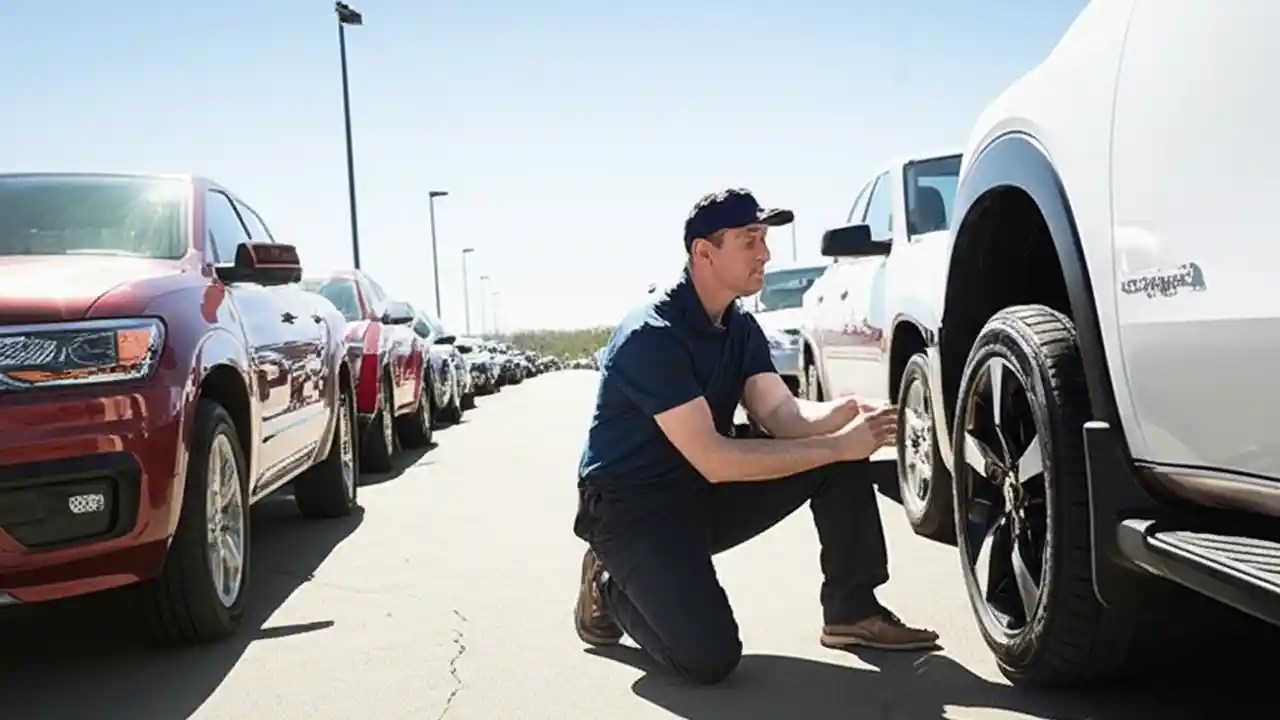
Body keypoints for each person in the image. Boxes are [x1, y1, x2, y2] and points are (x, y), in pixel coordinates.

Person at [571, 188, 939, 685]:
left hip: (701, 492)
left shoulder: (739, 327)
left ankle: (853, 611)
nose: (765, 253)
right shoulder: (652, 334)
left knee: (843, 452)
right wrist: (838, 443)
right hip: (635, 511)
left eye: (764, 238)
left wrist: (850, 416)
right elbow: (715, 459)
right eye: (750, 240)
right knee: (708, 659)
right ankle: (611, 583)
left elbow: (782, 416)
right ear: (704, 252)